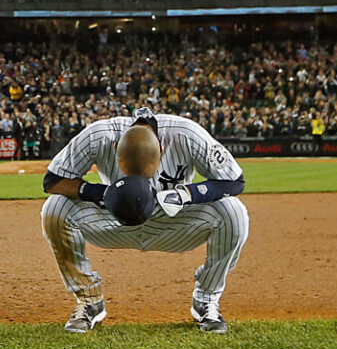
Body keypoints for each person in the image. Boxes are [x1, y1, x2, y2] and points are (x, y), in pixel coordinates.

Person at [39, 109, 247, 335]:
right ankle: (89, 300)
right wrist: (102, 193)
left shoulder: (187, 134)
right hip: (115, 220)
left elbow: (234, 181)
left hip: (172, 221)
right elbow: (52, 180)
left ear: (162, 149)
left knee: (233, 212)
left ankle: (206, 300)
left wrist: (188, 193)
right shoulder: (98, 136)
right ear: (116, 150)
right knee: (55, 208)